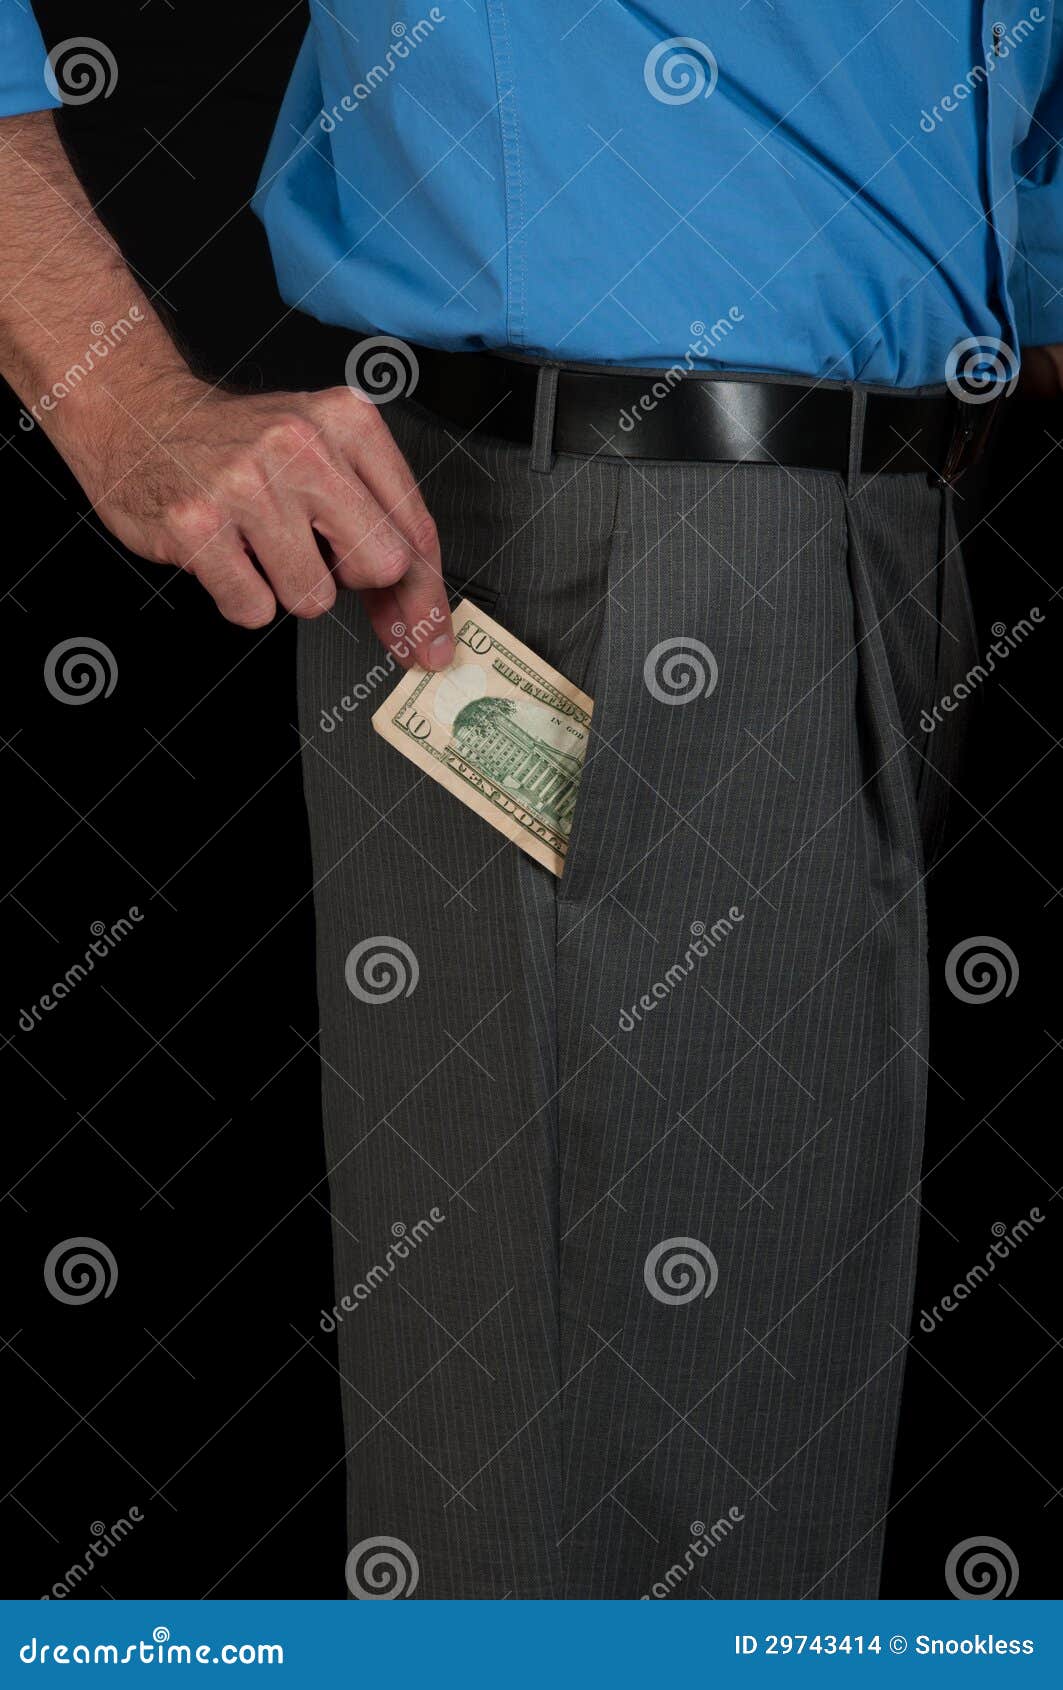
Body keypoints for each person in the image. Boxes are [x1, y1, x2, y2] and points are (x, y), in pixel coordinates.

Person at [2, 5, 1060, 1600]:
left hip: (919, 548)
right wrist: (116, 393)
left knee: (777, 1494)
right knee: (629, 1548)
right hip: (627, 563)